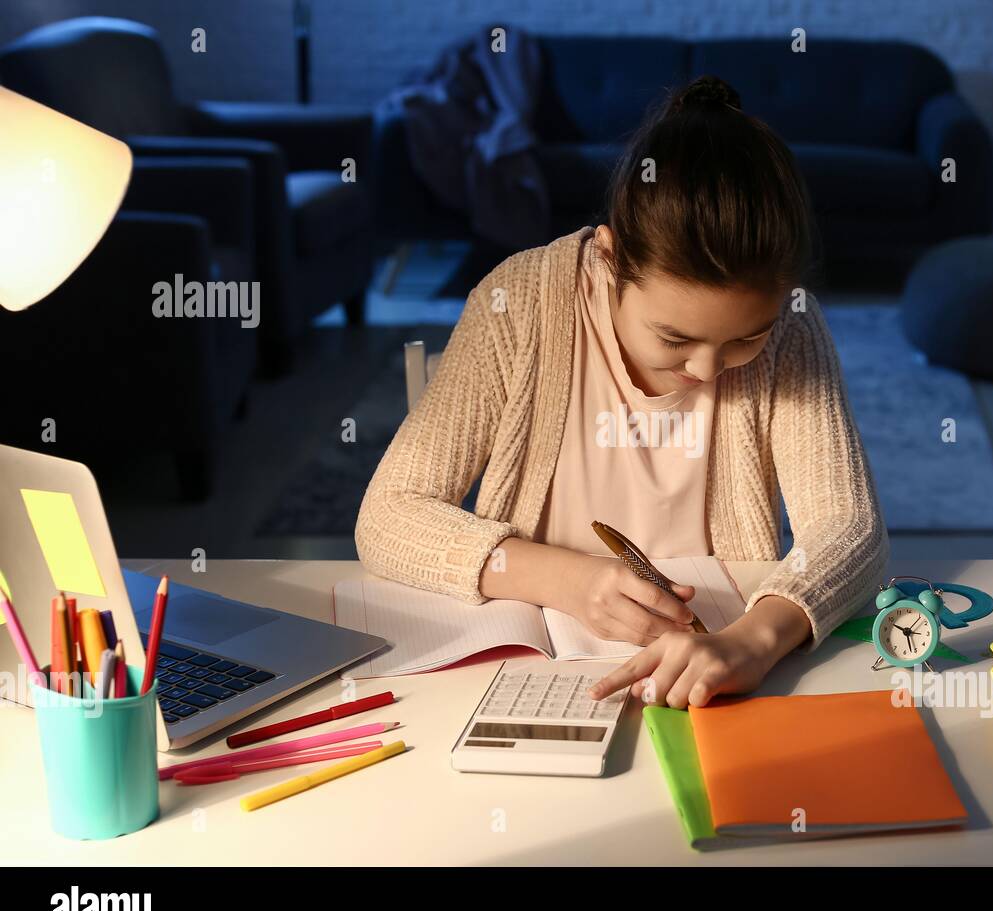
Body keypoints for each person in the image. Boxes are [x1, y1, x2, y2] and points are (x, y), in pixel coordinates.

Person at [356, 75, 888, 709]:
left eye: (747, 340)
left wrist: (753, 640)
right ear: (609, 259)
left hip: (705, 680)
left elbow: (850, 529)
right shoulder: (519, 303)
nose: (709, 372)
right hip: (536, 674)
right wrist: (572, 581)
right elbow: (388, 515)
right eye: (674, 338)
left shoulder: (794, 326)